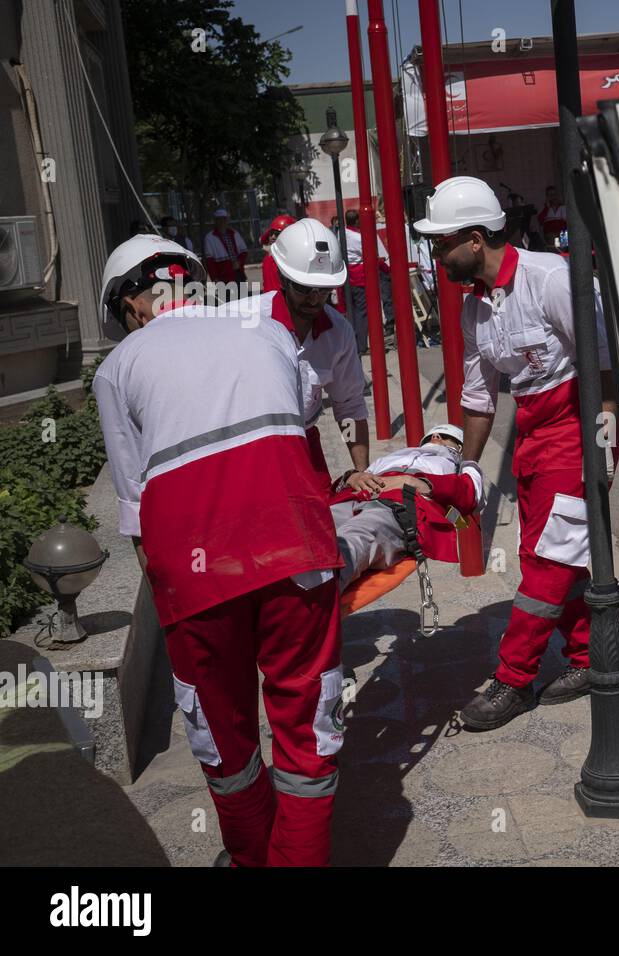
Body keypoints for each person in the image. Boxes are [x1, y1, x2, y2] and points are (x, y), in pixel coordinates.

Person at [94, 234, 345, 867]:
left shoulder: (116, 370)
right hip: (297, 548)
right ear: (194, 282)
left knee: (224, 739)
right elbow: (298, 425)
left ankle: (250, 857)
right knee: (308, 731)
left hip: (196, 570)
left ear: (131, 304)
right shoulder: (269, 331)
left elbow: (134, 508)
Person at [414, 175, 616, 730]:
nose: (436, 255)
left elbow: (605, 367)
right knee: (543, 553)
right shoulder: (473, 311)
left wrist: (607, 451)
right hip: (530, 435)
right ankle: (585, 658)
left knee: (549, 563)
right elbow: (480, 401)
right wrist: (468, 471)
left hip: (577, 429)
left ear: (476, 239)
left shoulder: (551, 278)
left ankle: (514, 678)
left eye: (441, 243)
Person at [266, 218, 375, 497]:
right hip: (256, 449)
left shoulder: (339, 333)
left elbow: (349, 406)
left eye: (324, 290)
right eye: (304, 288)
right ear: (282, 279)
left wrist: (360, 468)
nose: (314, 299)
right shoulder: (246, 321)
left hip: (306, 447)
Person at [329, 424, 484, 590]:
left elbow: (468, 501)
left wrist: (418, 483)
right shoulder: (392, 457)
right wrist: (351, 476)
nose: (436, 437)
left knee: (354, 538)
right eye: (432, 435)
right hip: (354, 496)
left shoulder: (455, 468)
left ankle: (320, 590)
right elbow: (336, 488)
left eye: (446, 437)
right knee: (314, 530)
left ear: (460, 448)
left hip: (398, 505)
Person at [344, 208, 396, 354]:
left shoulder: (342, 234)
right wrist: (387, 269)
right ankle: (361, 346)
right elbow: (372, 256)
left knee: (353, 312)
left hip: (349, 277)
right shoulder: (358, 238)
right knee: (362, 313)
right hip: (360, 277)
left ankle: (354, 343)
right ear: (356, 221)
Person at [202, 208, 248, 285]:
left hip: (238, 274)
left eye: (224, 219)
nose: (222, 222)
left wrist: (239, 262)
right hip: (222, 277)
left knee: (243, 296)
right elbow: (210, 261)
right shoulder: (210, 237)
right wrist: (215, 278)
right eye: (219, 219)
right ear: (215, 221)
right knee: (226, 296)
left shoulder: (234, 233)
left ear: (227, 220)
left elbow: (244, 252)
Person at [258, 215, 296, 294]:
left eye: (277, 233)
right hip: (270, 303)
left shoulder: (291, 259)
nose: (273, 237)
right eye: (271, 233)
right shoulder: (268, 257)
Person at [537, 185, 567, 249]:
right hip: (550, 233)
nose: (552, 197)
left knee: (564, 243)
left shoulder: (562, 206)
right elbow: (540, 220)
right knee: (555, 244)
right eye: (550, 195)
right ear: (547, 196)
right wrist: (547, 208)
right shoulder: (543, 207)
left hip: (562, 232)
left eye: (554, 194)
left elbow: (566, 221)